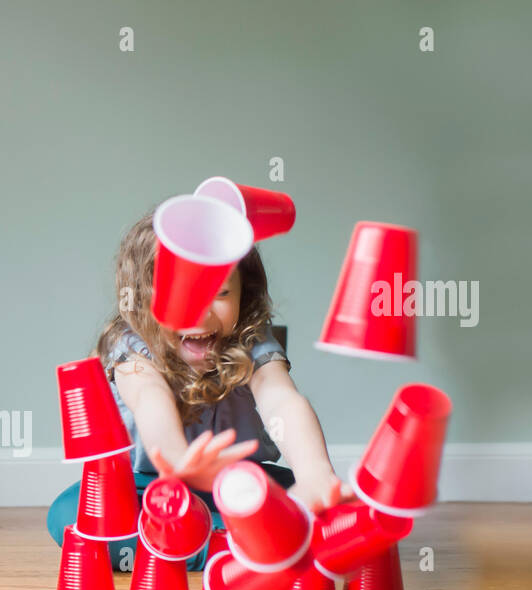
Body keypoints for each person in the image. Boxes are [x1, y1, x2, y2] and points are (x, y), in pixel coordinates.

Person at [47, 204, 352, 570]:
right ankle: (247, 545)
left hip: (239, 484)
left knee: (309, 503)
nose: (201, 313)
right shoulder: (131, 345)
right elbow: (149, 399)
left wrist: (315, 474)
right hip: (150, 489)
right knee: (72, 517)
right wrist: (179, 461)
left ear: (245, 293)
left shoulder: (252, 339)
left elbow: (281, 400)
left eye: (221, 293)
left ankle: (206, 544)